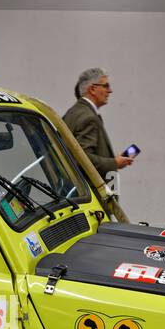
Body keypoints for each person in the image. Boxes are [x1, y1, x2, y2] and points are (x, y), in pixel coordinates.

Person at [64, 68, 133, 221]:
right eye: (106, 86)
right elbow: (83, 160)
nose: (110, 91)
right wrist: (114, 163)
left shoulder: (75, 111)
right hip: (92, 201)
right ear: (93, 89)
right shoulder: (88, 117)